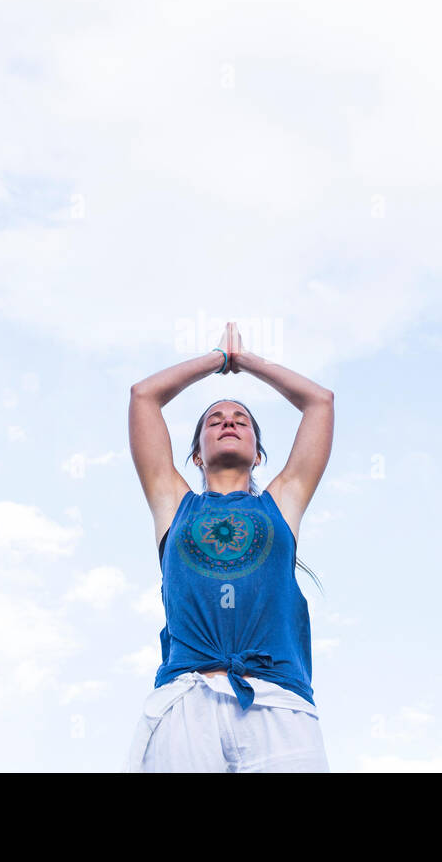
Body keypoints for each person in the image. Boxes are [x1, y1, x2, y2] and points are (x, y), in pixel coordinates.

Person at [122, 322, 334, 772]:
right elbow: (144, 396)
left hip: (278, 701)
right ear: (196, 454)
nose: (228, 423)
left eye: (241, 420)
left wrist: (248, 363)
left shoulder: (281, 504)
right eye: (214, 421)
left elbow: (320, 402)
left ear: (259, 453)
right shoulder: (175, 504)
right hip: (187, 702)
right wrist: (219, 360)